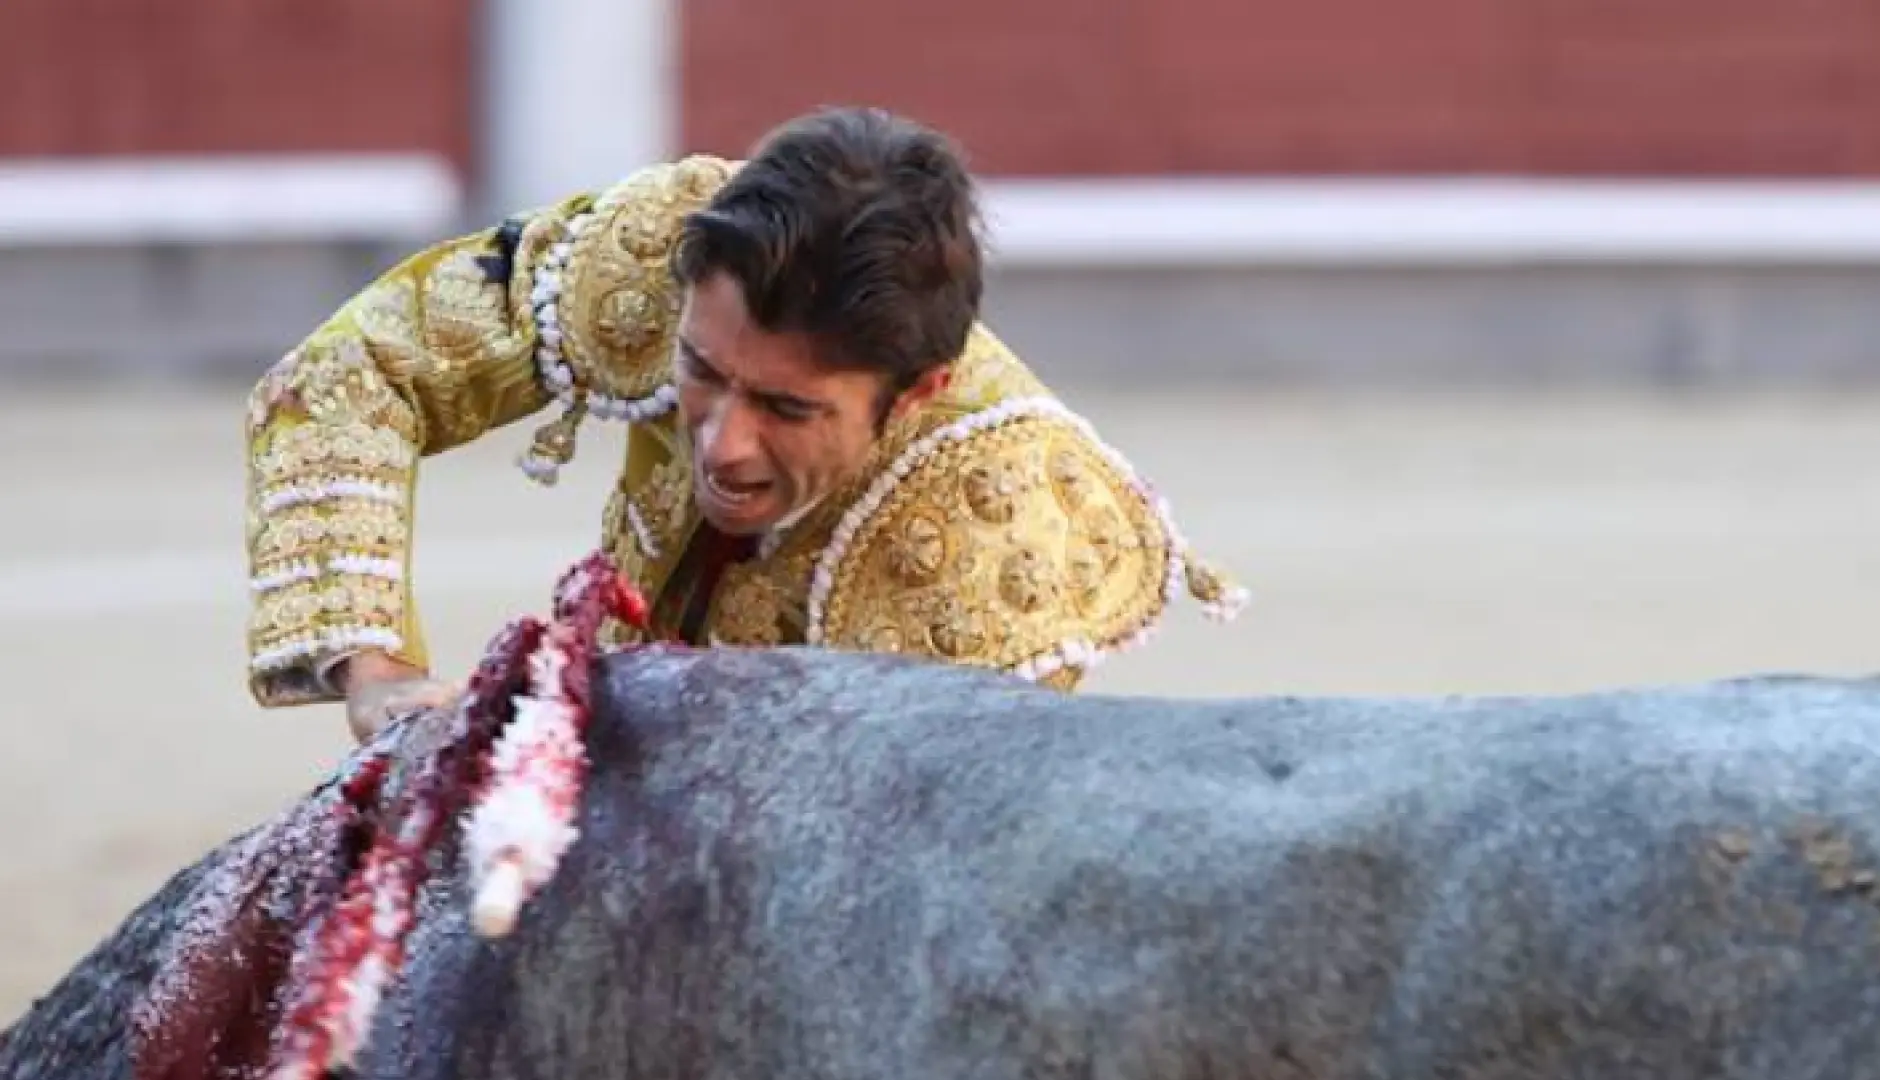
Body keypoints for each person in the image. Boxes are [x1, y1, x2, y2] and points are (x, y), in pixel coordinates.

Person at [243, 106, 1248, 743]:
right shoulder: (663, 250)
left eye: (788, 407)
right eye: (702, 371)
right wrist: (377, 673)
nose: (721, 443)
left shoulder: (991, 545)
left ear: (921, 390)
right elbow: (348, 372)